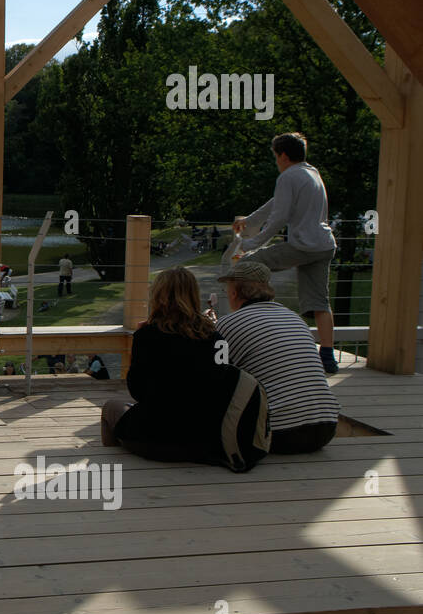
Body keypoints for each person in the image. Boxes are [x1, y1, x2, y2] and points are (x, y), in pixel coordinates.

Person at [100, 267, 265, 470]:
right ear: (194, 296)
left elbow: (138, 391)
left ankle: (117, 467)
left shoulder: (147, 336)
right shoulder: (216, 339)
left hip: (154, 438)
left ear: (158, 296)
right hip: (206, 441)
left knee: (111, 407)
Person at [233, 132, 340, 373]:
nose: (276, 162)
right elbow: (275, 204)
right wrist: (249, 221)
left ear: (283, 155)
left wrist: (253, 244)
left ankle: (254, 335)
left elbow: (278, 217)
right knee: (320, 302)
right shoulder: (311, 172)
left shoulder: (288, 176)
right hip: (323, 246)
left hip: (302, 245)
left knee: (245, 268)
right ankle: (327, 358)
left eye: (275, 157)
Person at [216, 261, 339, 453]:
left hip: (278, 431)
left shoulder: (227, 324)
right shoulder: (294, 318)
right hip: (326, 427)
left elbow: (216, 374)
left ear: (235, 292)